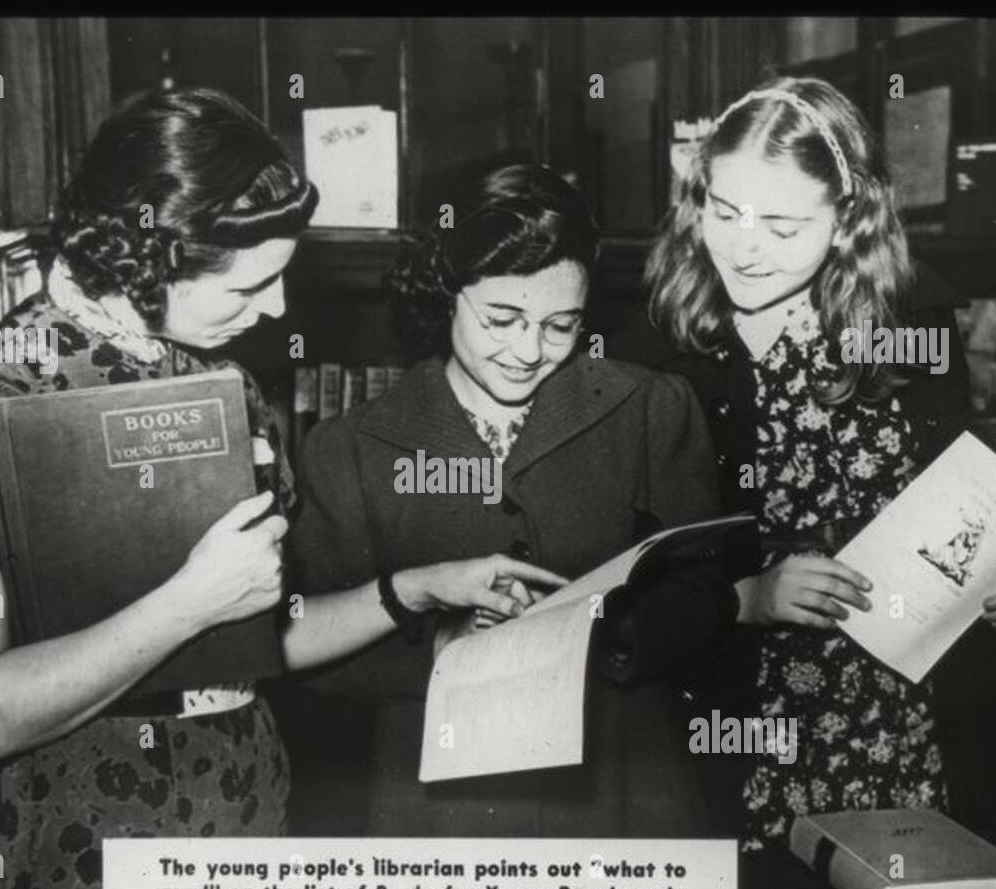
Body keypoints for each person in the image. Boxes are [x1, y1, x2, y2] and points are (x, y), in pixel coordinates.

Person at [0, 88, 558, 889]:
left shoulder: (227, 387)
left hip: (246, 817)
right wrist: (189, 600)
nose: (278, 309)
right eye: (254, 282)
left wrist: (416, 588)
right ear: (149, 258)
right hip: (87, 852)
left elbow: (260, 637)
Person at [609, 76, 996, 889]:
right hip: (732, 718)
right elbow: (607, 588)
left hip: (895, 715)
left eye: (784, 224)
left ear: (848, 217)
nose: (743, 247)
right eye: (722, 211)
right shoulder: (656, 344)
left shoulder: (913, 320)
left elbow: (962, 501)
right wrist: (751, 601)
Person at [286, 164, 745, 838]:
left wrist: (611, 636)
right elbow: (307, 648)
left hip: (619, 791)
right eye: (502, 319)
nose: (529, 351)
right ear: (446, 292)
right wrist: (443, 643)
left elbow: (708, 589)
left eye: (561, 325)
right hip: (437, 814)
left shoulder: (649, 408)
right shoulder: (350, 447)